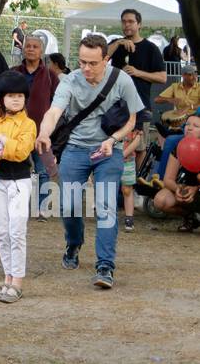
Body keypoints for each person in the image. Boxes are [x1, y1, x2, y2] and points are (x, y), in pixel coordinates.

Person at [36, 34, 143, 289]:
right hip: (75, 149)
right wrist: (43, 133)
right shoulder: (70, 80)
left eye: (92, 63)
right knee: (68, 205)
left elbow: (132, 119)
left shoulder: (122, 80)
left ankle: (105, 266)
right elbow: (54, 112)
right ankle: (74, 242)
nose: (85, 68)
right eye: (82, 61)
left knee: (106, 207)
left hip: (109, 151)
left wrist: (114, 139)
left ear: (106, 59)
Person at [0, 71, 37, 303]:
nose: (15, 100)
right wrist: (0, 150)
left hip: (19, 182)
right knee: (1, 231)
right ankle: (7, 277)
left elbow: (22, 151)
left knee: (17, 230)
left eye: (20, 96)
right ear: (1, 98)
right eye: (10, 95)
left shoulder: (28, 124)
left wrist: (1, 144)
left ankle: (18, 281)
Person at [18, 34, 57, 218]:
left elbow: (58, 102)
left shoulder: (50, 76)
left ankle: (42, 208)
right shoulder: (14, 72)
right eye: (28, 46)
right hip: (17, 131)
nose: (31, 49)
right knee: (19, 170)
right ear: (23, 49)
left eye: (35, 46)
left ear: (41, 51)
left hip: (42, 132)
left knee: (42, 170)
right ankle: (19, 205)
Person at [106, 10, 166, 121]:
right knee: (114, 138)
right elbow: (100, 60)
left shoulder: (151, 48)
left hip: (140, 106)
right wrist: (119, 42)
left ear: (139, 24)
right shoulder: (116, 44)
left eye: (131, 21)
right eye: (124, 22)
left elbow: (162, 78)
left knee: (138, 138)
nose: (126, 25)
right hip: (115, 105)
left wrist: (137, 72)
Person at [150, 113, 200, 228]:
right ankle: (191, 217)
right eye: (187, 124)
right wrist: (178, 190)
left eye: (196, 126)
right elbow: (168, 179)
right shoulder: (179, 146)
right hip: (187, 190)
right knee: (160, 200)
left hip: (197, 190)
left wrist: (195, 188)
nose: (190, 128)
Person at [156, 62, 200, 128]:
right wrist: (169, 99)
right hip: (180, 116)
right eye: (191, 75)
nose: (195, 77)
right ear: (184, 75)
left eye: (195, 74)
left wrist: (189, 107)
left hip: (197, 116)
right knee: (164, 125)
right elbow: (157, 100)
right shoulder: (175, 86)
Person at [120, 127, 143, 233]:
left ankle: (129, 217)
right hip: (109, 158)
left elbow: (137, 140)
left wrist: (123, 155)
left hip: (127, 160)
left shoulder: (134, 123)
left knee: (127, 189)